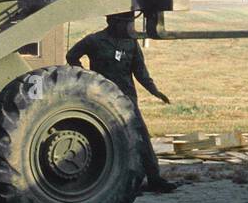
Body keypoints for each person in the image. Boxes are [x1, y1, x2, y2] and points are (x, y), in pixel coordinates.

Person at [66, 12, 178, 193]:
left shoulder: (130, 43)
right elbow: (71, 56)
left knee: (141, 137)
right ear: (114, 22)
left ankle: (154, 178)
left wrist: (155, 91)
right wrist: (88, 79)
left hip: (127, 100)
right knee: (105, 139)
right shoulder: (95, 41)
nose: (130, 27)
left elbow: (141, 72)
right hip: (102, 99)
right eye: (127, 23)